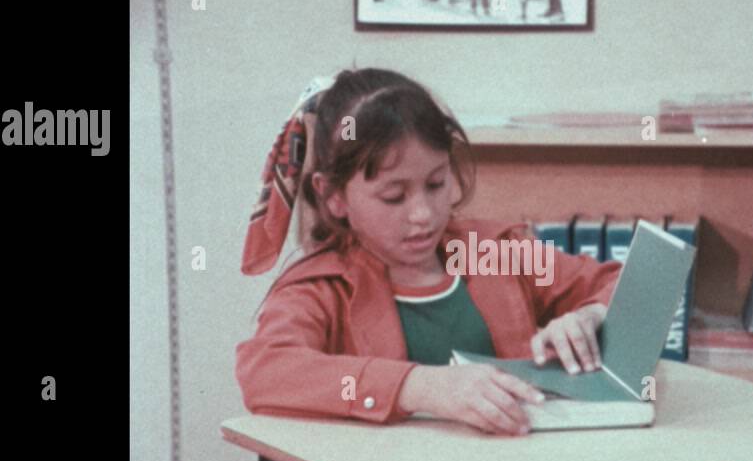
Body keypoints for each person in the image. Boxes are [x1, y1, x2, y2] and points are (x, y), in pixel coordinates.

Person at [236, 68, 621, 436]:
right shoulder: (320, 288)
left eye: (436, 184)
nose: (422, 214)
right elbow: (266, 371)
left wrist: (589, 316)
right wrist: (420, 386)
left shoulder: (494, 251)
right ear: (334, 196)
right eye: (394, 196)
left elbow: (623, 282)